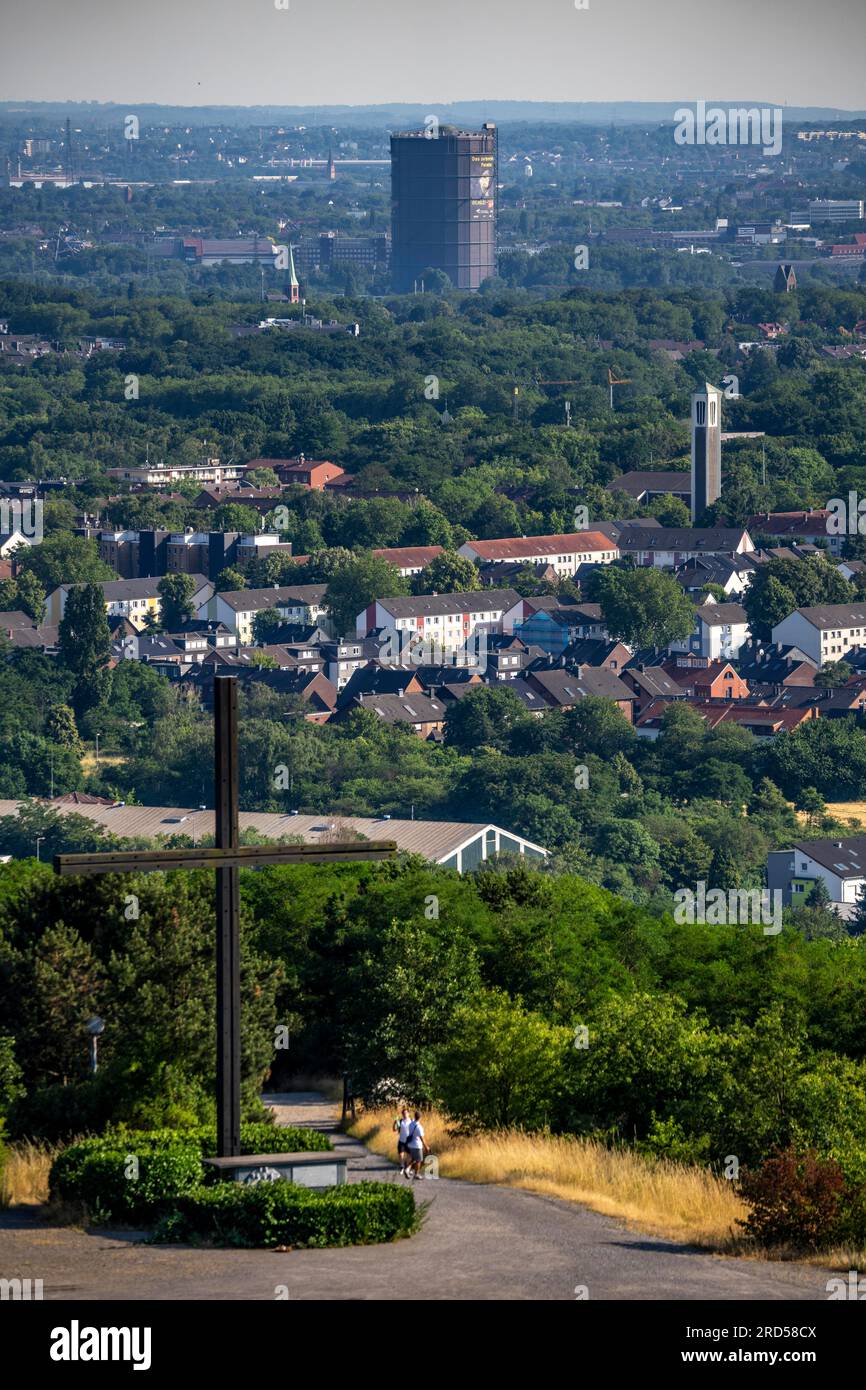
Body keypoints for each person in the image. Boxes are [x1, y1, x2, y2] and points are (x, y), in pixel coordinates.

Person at [406, 1109, 427, 1180]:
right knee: (419, 1160)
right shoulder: (419, 1127)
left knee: (413, 1159)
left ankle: (407, 1169)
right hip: (417, 1145)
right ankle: (416, 1174)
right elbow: (422, 1138)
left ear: (415, 1117)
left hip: (410, 1144)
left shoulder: (411, 1124)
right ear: (420, 1117)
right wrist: (426, 1147)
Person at [393, 1104, 412, 1177]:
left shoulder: (412, 1121)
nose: (405, 1114)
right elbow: (394, 1129)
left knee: (409, 1156)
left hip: (409, 1141)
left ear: (408, 1114)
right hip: (401, 1141)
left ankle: (407, 1168)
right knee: (401, 1155)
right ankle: (402, 1167)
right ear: (402, 1114)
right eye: (403, 1113)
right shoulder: (400, 1121)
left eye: (406, 1113)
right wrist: (395, 1122)